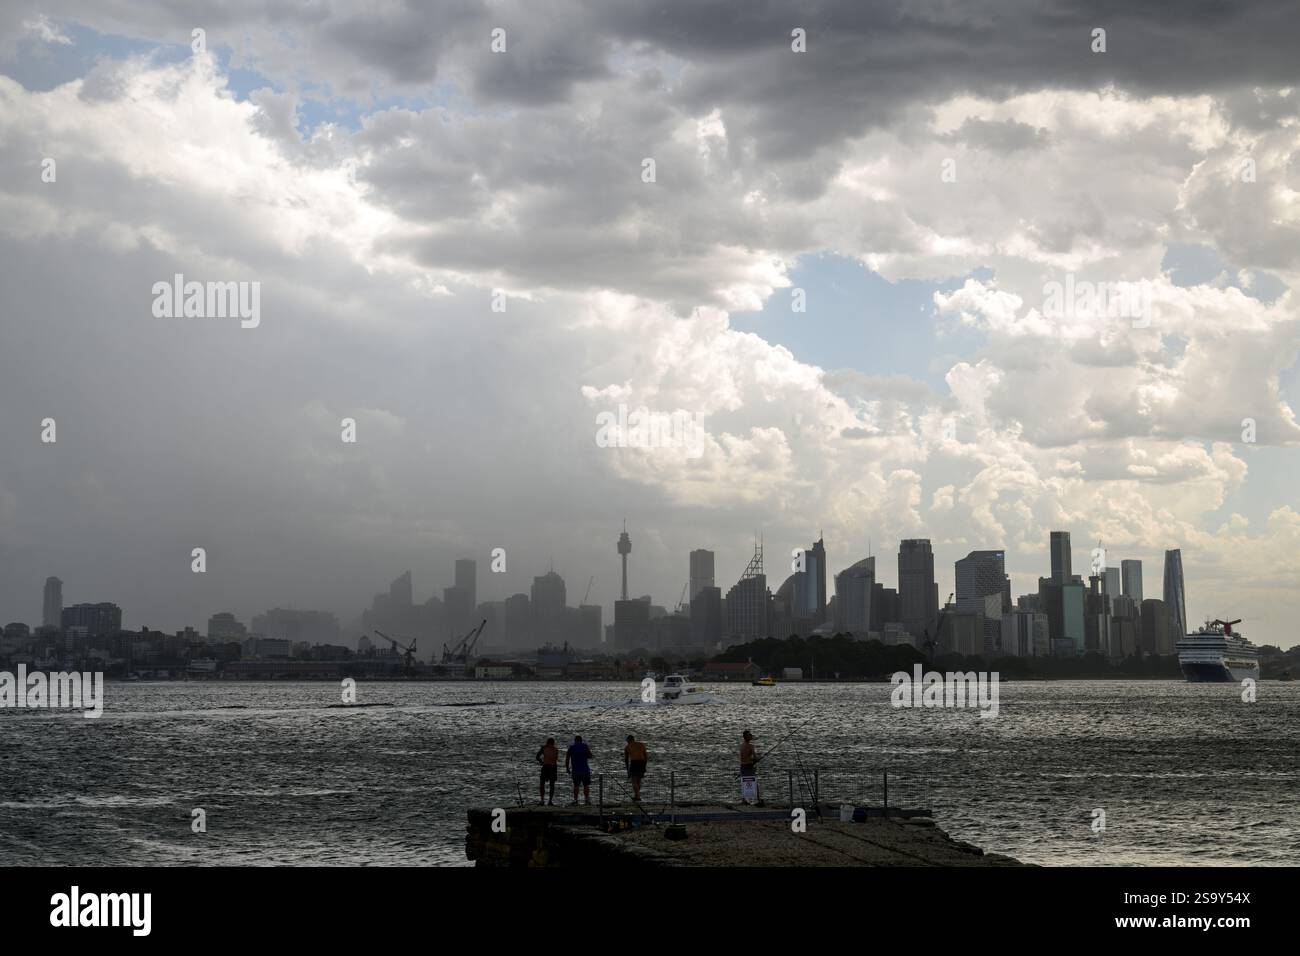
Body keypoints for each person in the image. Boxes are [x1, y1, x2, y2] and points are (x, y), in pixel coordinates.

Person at [565, 734, 593, 806]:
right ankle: (586, 800)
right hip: (585, 770)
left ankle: (575, 800)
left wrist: (567, 768)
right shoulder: (585, 746)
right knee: (586, 785)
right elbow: (590, 756)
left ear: (575, 741)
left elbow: (567, 759)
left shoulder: (571, 747)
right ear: (581, 740)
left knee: (576, 785)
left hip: (576, 770)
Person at [623, 734, 648, 801]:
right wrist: (645, 765)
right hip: (642, 762)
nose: (627, 742)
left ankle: (637, 796)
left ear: (629, 740)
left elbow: (626, 760)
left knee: (634, 780)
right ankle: (637, 795)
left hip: (634, 762)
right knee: (638, 780)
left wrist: (628, 770)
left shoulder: (627, 747)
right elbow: (645, 756)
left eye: (627, 741)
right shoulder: (641, 745)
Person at [535, 737, 559, 806]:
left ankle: (542, 800)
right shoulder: (556, 749)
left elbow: (537, 757)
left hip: (545, 766)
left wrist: (541, 762)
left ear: (547, 742)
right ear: (553, 743)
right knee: (552, 785)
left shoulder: (544, 748)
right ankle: (550, 801)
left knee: (542, 783)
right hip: (553, 767)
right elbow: (555, 759)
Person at [739, 729, 760, 805]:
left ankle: (743, 799)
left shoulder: (741, 746)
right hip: (749, 766)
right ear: (746, 737)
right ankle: (758, 799)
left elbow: (744, 757)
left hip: (742, 766)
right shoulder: (751, 746)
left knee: (744, 782)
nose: (751, 736)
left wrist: (752, 759)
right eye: (749, 735)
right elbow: (755, 758)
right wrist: (757, 759)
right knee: (754, 782)